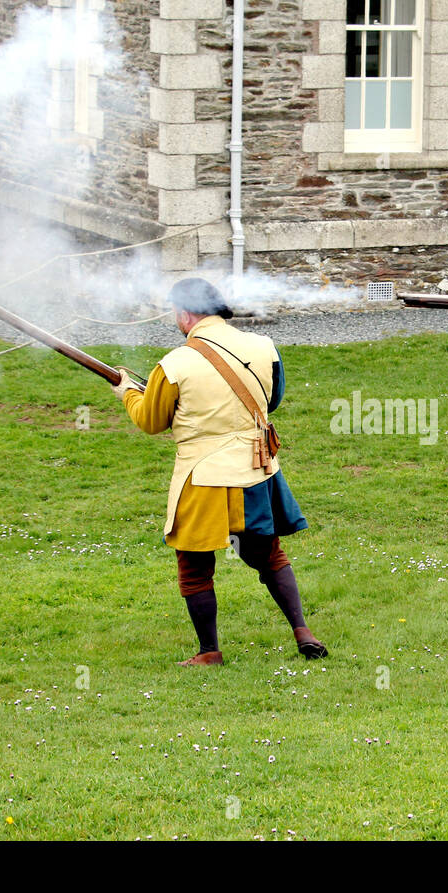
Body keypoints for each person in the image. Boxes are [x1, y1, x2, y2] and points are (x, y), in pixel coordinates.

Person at [112, 277, 328, 666]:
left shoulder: (174, 363)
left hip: (204, 477)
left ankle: (209, 652)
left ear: (184, 313)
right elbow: (271, 400)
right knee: (268, 555)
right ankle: (303, 632)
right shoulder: (264, 347)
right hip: (256, 471)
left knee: (194, 566)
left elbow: (150, 420)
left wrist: (127, 391)